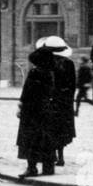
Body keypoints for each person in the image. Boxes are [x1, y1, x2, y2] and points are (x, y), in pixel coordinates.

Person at [17, 44, 60, 178]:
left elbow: (27, 91)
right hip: (47, 109)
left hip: (32, 110)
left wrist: (21, 106)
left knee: (31, 139)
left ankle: (32, 168)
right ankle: (49, 167)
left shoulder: (35, 72)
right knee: (47, 139)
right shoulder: (51, 73)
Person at [42, 36, 78, 167]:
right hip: (64, 102)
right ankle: (60, 157)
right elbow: (73, 85)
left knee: (50, 129)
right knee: (62, 130)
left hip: (50, 101)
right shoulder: (69, 64)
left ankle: (53, 156)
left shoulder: (46, 64)